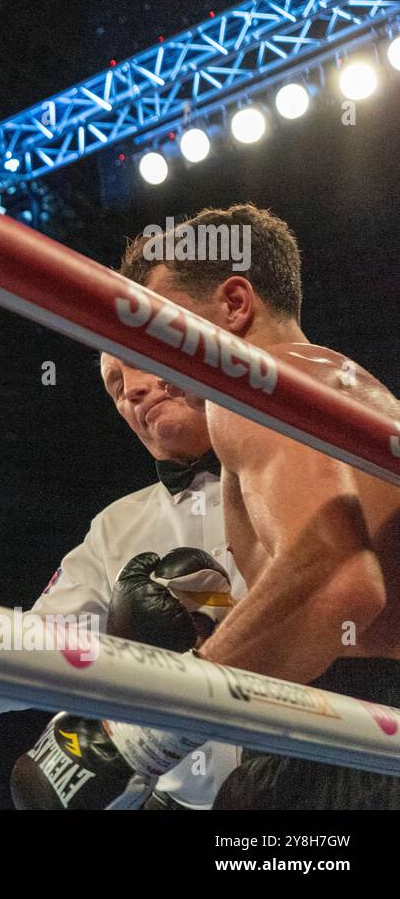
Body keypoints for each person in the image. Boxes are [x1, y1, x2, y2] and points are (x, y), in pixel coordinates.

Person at [116, 203, 400, 808]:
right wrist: (216, 607)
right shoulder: (351, 389)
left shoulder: (250, 389)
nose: (154, 359)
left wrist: (165, 718)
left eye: (160, 326)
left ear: (235, 304)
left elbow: (342, 580)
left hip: (347, 735)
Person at [0, 353, 243, 808]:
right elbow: (39, 644)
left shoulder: (288, 476)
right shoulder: (116, 526)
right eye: (115, 385)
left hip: (322, 786)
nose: (131, 390)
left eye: (141, 362)